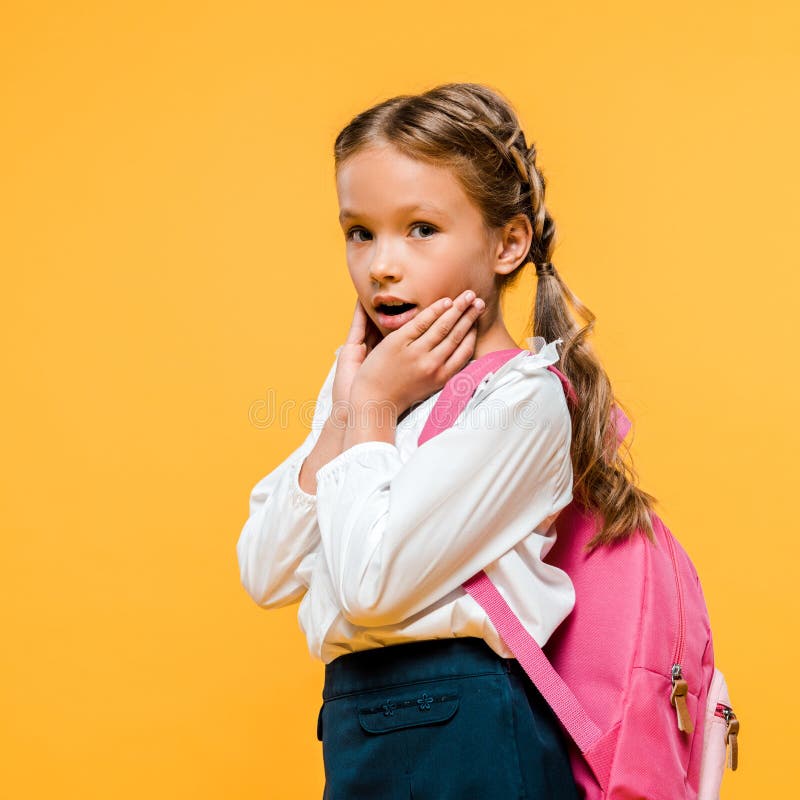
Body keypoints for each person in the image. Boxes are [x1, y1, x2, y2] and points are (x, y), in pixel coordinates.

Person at [236, 82, 657, 799]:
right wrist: (354, 408)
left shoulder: (519, 401)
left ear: (508, 243)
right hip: (357, 722)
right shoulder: (368, 390)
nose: (381, 265)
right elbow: (265, 570)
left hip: (471, 733)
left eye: (421, 229)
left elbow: (371, 588)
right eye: (359, 231)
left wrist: (367, 406)